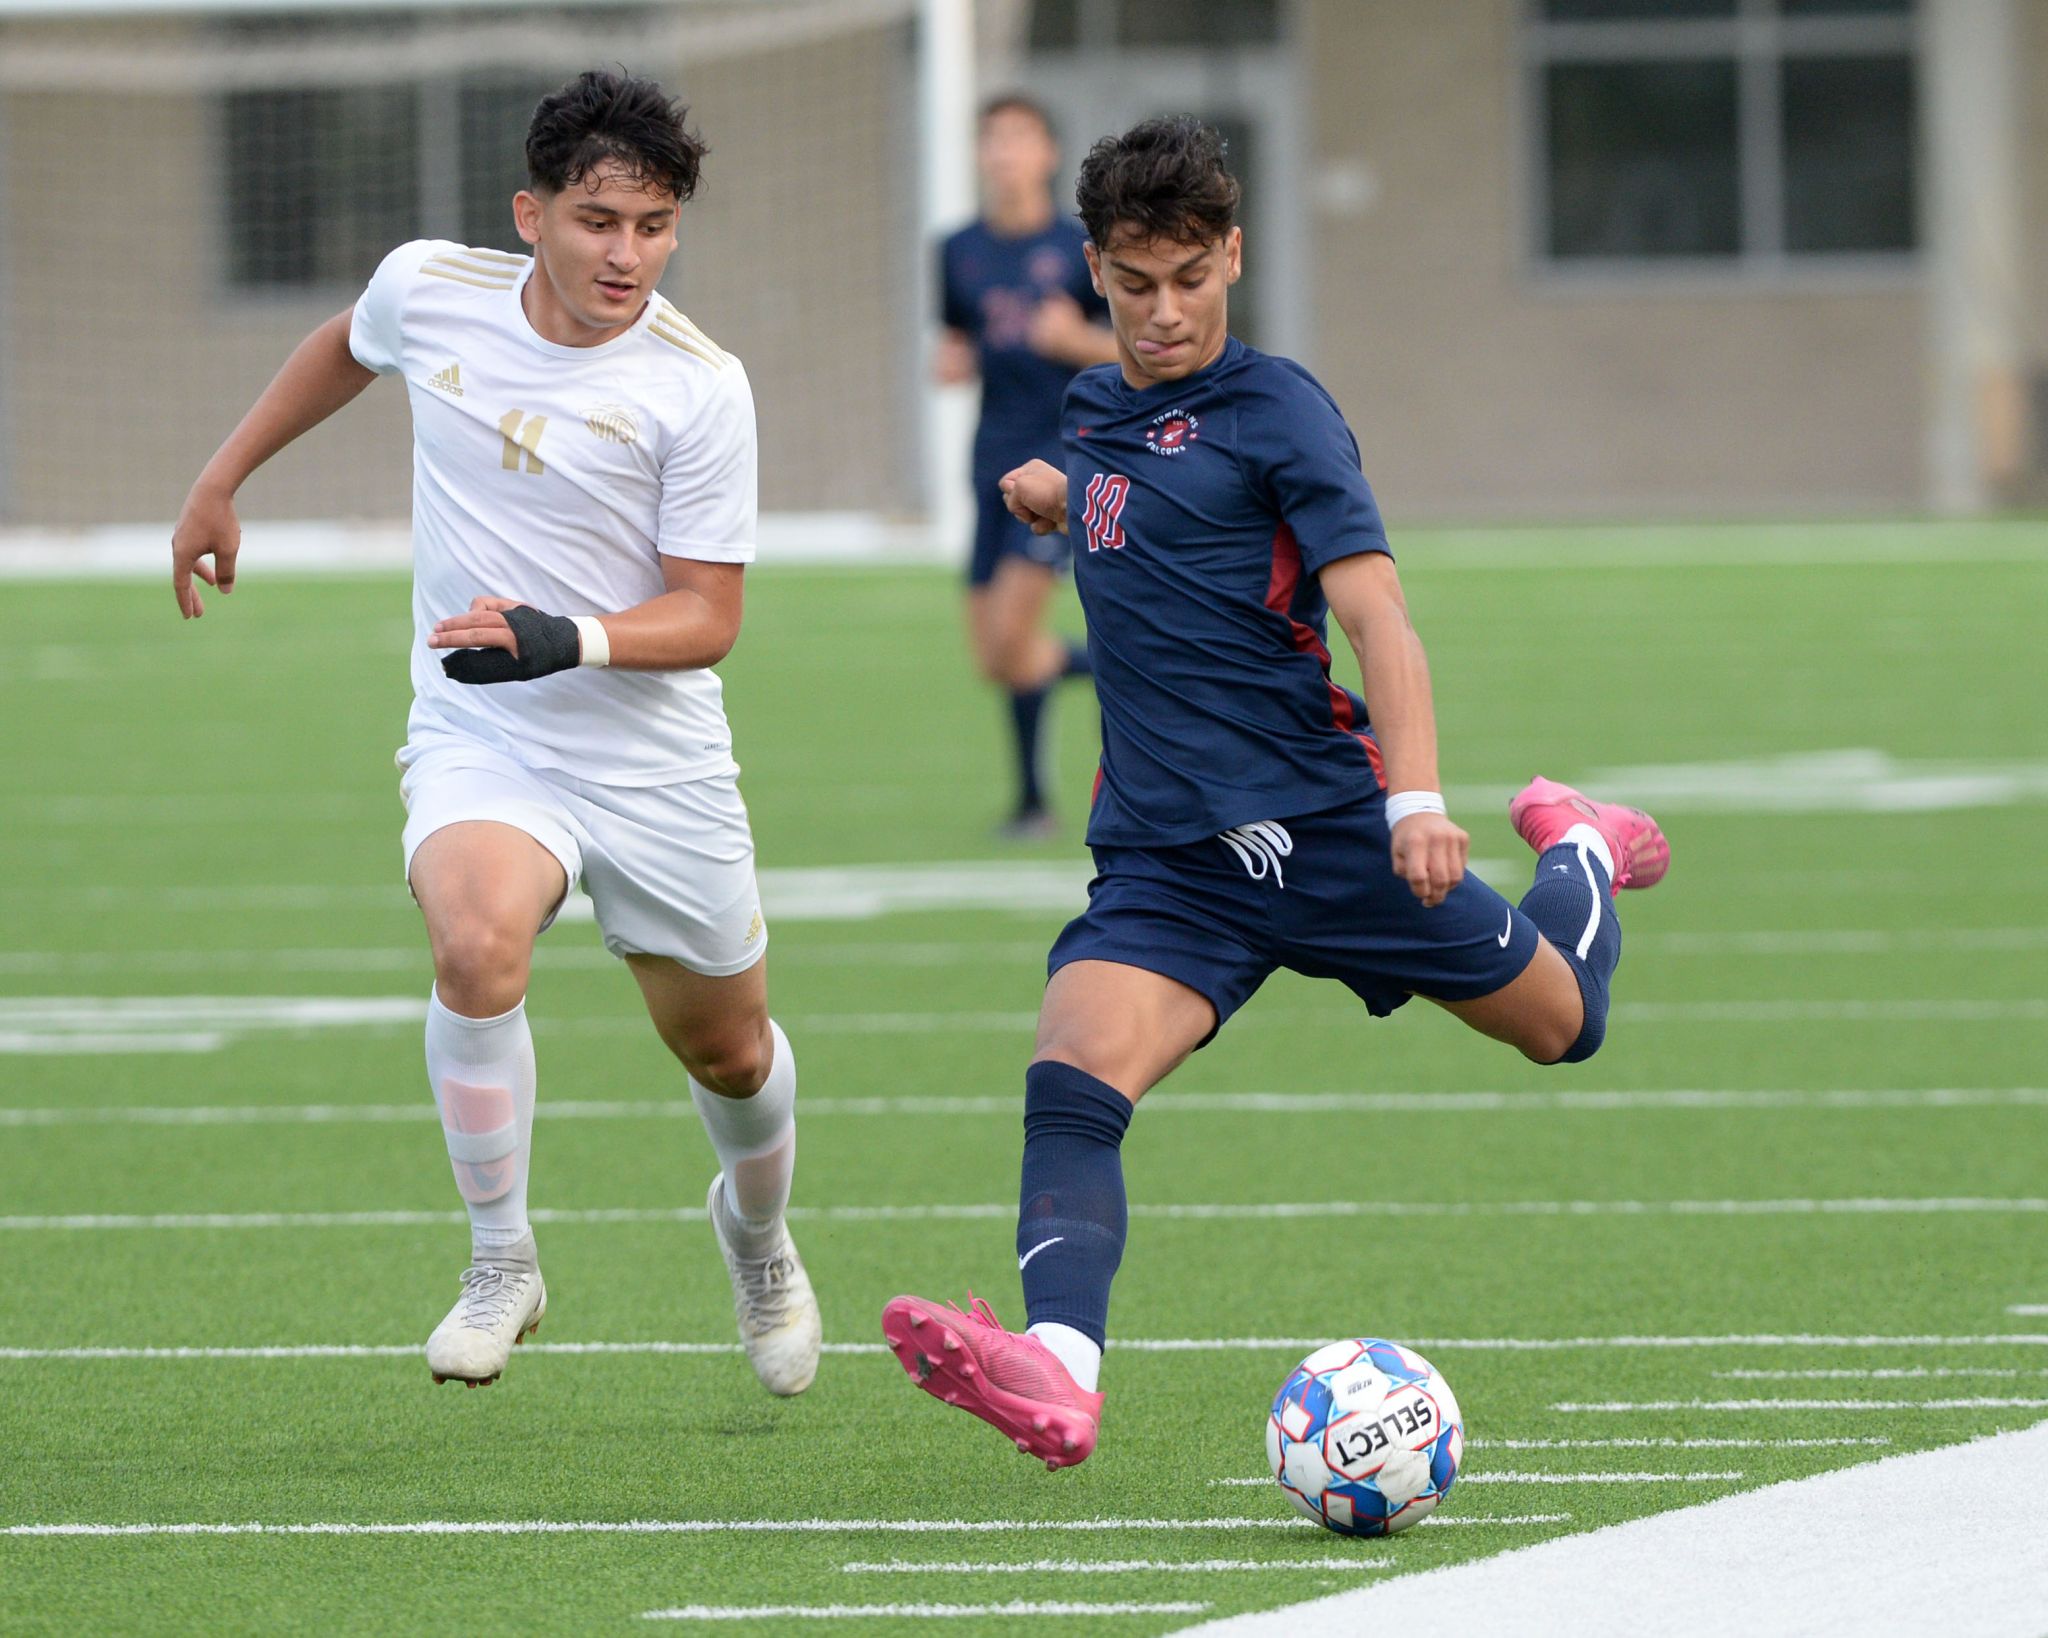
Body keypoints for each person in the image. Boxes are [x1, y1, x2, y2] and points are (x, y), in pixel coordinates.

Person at [882, 117, 1669, 1468]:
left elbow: (1382, 617)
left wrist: (1417, 801)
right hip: (1170, 859)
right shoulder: (1090, 410)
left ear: (1233, 255)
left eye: (1192, 276)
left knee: (1562, 1024)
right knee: (1072, 1072)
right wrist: (1056, 489)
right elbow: (1139, 498)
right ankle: (1060, 1369)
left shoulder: (1283, 410)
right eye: (1136, 284)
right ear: (1096, 272)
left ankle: (1584, 848)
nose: (1166, 310)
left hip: (1329, 834)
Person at [170, 70, 821, 1396]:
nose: (624, 252)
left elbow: (709, 616)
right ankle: (501, 1255)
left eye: (651, 224)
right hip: (488, 733)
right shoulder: (432, 287)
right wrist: (222, 478)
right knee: (473, 944)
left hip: (653, 755)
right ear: (531, 214)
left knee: (729, 1049)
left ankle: (758, 1241)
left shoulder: (700, 389)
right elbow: (348, 344)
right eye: (597, 220)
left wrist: (565, 635)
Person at [937, 94, 1121, 838]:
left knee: (1014, 639)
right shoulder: (957, 250)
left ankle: (1034, 802)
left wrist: (1077, 340)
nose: (1005, 153)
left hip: (1057, 468)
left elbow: (1136, 353)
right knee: (995, 658)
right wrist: (954, 357)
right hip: (987, 462)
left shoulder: (1082, 248)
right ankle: (1112, 672)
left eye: (1020, 139)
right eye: (993, 140)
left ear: (1048, 153)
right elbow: (957, 338)